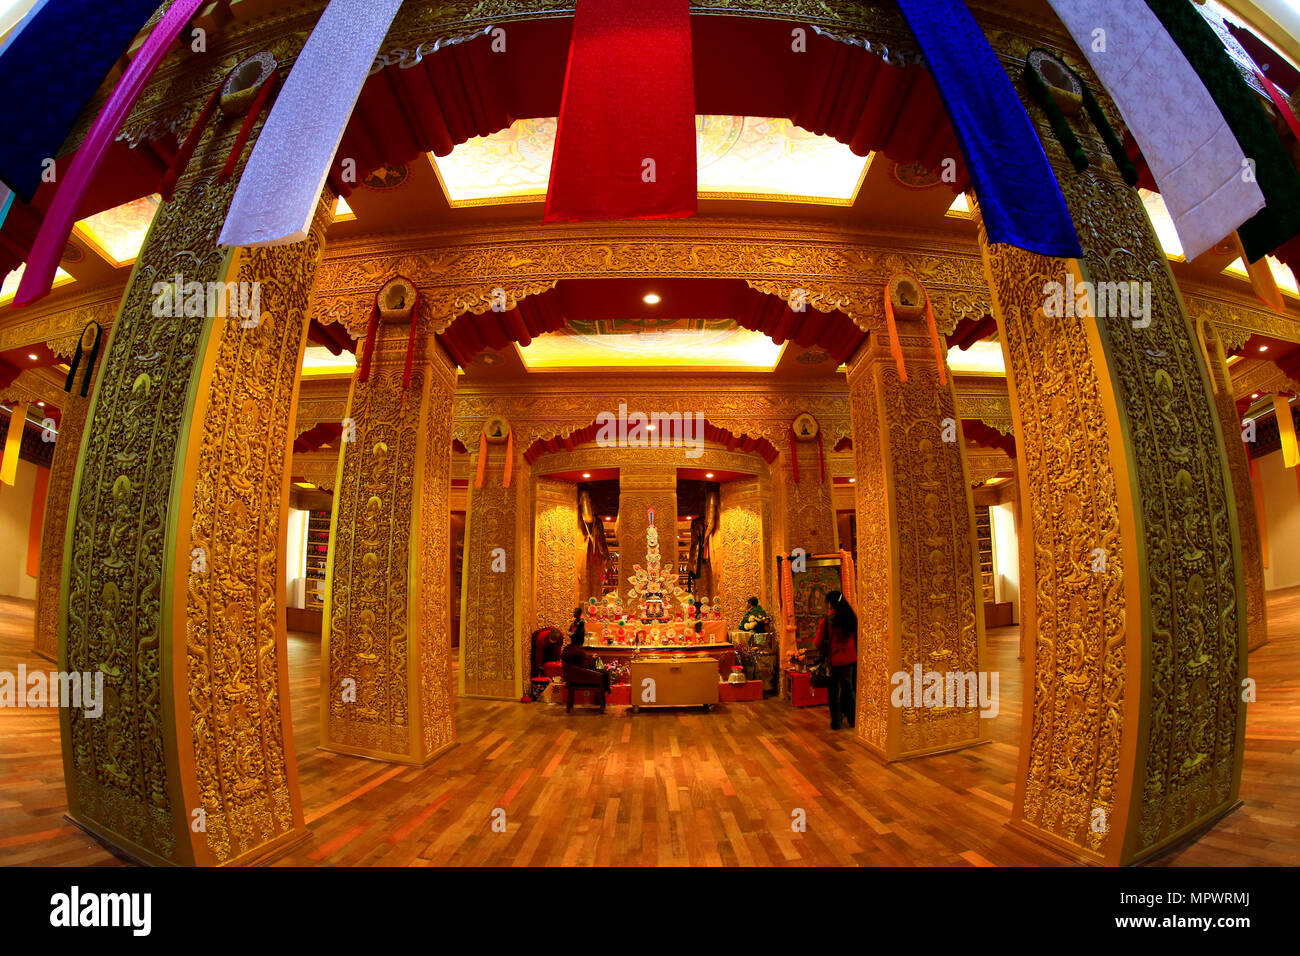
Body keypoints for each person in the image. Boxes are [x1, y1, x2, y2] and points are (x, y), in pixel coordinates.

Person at [814, 589, 858, 730]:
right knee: (848, 689)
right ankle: (852, 719)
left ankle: (837, 721)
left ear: (830, 603)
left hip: (834, 660)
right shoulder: (851, 617)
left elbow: (818, 642)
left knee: (833, 691)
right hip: (850, 659)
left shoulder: (827, 620)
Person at [561, 625, 611, 693]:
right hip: (581, 677)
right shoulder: (579, 651)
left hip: (570, 677)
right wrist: (593, 659)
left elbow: (580, 663)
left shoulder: (567, 648)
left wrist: (590, 658)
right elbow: (587, 666)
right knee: (604, 673)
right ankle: (603, 693)